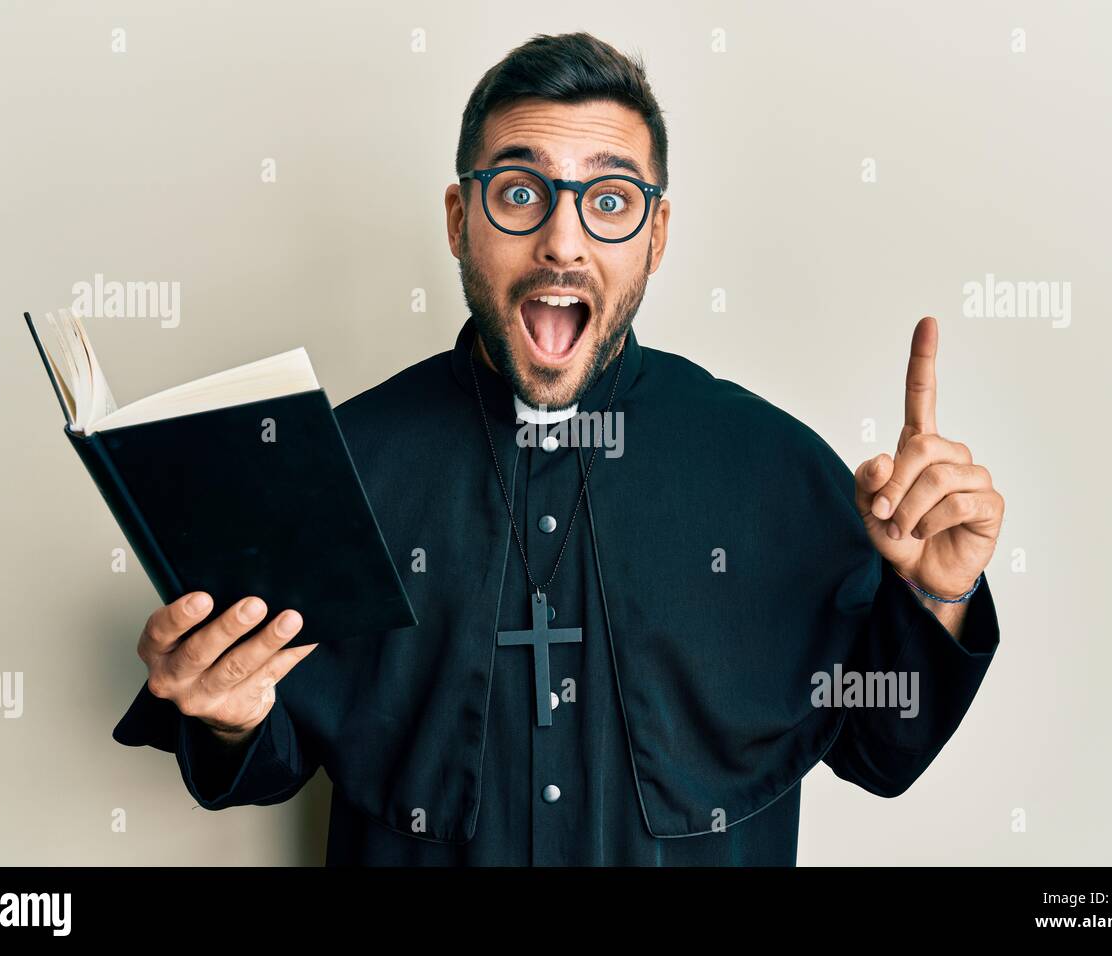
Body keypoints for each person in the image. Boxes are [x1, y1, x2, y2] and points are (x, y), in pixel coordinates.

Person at [114, 31, 1004, 865]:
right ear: (461, 219)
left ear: (656, 236)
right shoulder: (340, 464)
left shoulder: (777, 468)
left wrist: (938, 595)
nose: (563, 241)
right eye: (519, 192)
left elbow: (884, 753)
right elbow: (270, 758)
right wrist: (226, 713)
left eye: (609, 200)